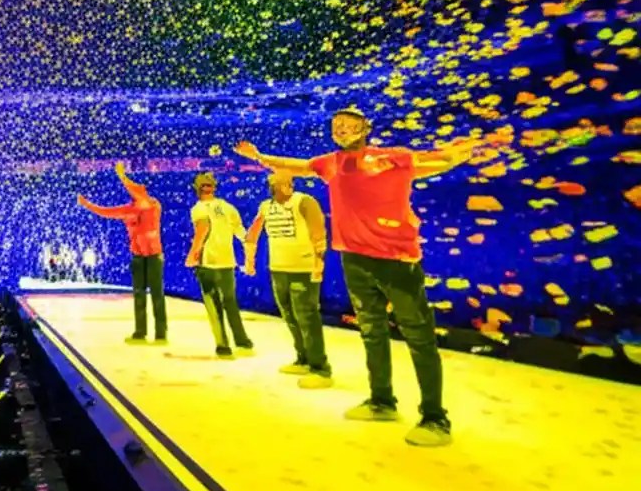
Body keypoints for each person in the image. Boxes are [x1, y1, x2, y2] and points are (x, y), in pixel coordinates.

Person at [234, 106, 479, 447]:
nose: (343, 129)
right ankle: (382, 402)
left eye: (350, 125)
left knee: (419, 337)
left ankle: (435, 418)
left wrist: (461, 152)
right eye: (337, 125)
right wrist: (260, 156)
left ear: (365, 128)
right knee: (371, 332)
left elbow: (433, 160)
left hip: (397, 259)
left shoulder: (392, 157)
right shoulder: (332, 163)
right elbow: (299, 165)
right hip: (354, 259)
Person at [244, 174, 333, 387]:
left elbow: (318, 231)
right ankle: (303, 358)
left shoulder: (303, 201)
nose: (287, 185)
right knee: (290, 315)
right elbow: (253, 232)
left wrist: (319, 263)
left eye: (289, 181)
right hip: (279, 268)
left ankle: (320, 367)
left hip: (303, 268)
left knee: (307, 317)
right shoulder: (266, 206)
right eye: (282, 182)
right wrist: (249, 259)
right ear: (272, 185)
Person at [78, 161, 166, 343]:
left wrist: (122, 176)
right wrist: (87, 204)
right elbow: (105, 212)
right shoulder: (129, 209)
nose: (135, 189)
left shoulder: (153, 204)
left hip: (154, 255)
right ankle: (140, 332)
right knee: (139, 294)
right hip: (138, 256)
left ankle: (160, 333)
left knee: (157, 294)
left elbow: (138, 196)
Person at [183, 173, 254, 358]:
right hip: (227, 260)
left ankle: (223, 345)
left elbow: (202, 231)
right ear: (213, 187)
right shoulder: (227, 207)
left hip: (208, 261)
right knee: (230, 302)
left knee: (213, 304)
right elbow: (241, 232)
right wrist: (249, 254)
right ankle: (242, 340)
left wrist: (192, 254)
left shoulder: (199, 208)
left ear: (197, 189)